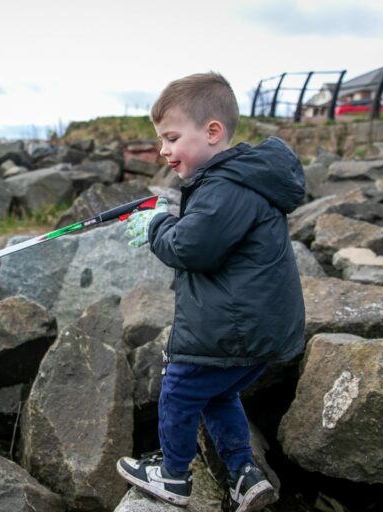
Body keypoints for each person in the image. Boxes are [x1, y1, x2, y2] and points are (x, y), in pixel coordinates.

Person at [115, 72, 306, 512]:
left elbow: (191, 247)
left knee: (180, 390)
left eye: (172, 138)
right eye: (161, 140)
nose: (163, 151)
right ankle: (244, 474)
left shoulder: (225, 185)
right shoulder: (243, 179)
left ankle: (173, 475)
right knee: (218, 393)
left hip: (229, 329)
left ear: (213, 132)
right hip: (262, 329)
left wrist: (157, 226)